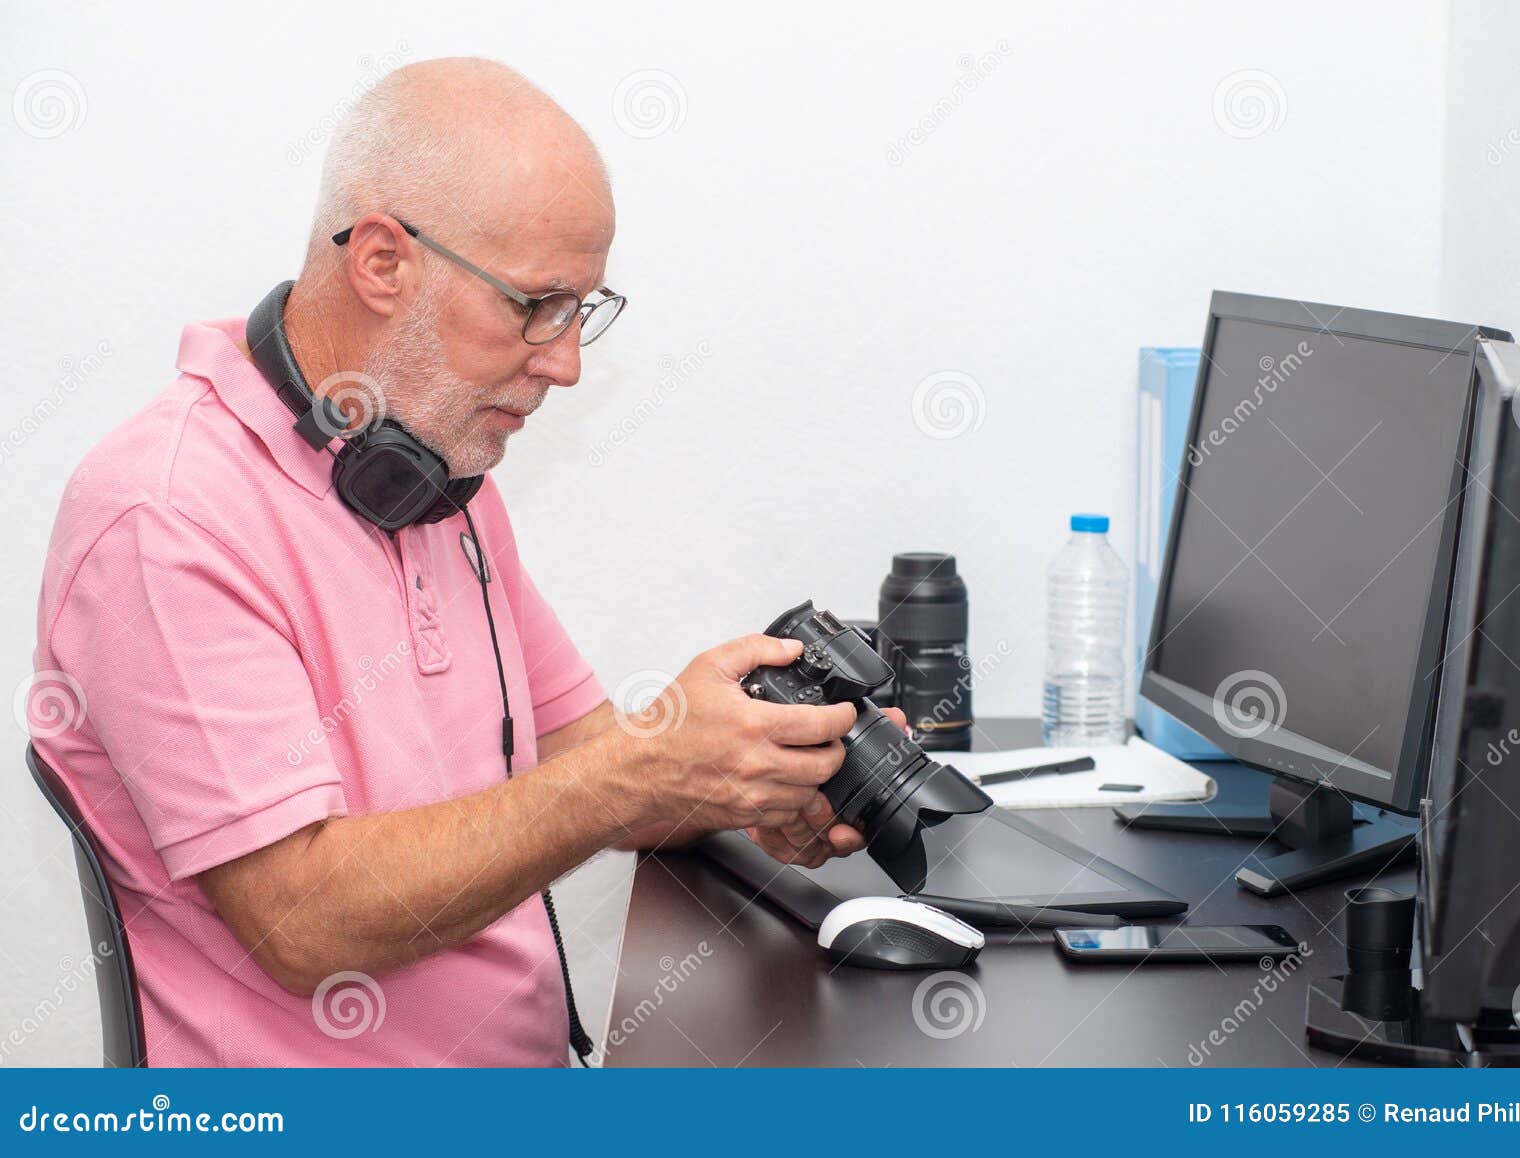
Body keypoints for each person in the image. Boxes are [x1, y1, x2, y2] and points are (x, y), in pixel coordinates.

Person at [30, 57, 899, 1067]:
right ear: (383, 263)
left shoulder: (434, 470)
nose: (566, 363)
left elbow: (579, 754)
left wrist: (747, 777)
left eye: (581, 311)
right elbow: (301, 921)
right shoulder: (165, 516)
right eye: (537, 305)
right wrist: (639, 773)